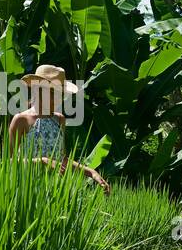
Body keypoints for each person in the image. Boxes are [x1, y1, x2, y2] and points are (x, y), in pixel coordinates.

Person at [8, 64, 111, 194]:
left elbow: (62, 159)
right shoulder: (21, 120)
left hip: (53, 190)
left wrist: (91, 172)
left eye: (60, 94)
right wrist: (41, 161)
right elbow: (9, 161)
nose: (57, 99)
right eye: (52, 93)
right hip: (26, 191)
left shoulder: (59, 120)